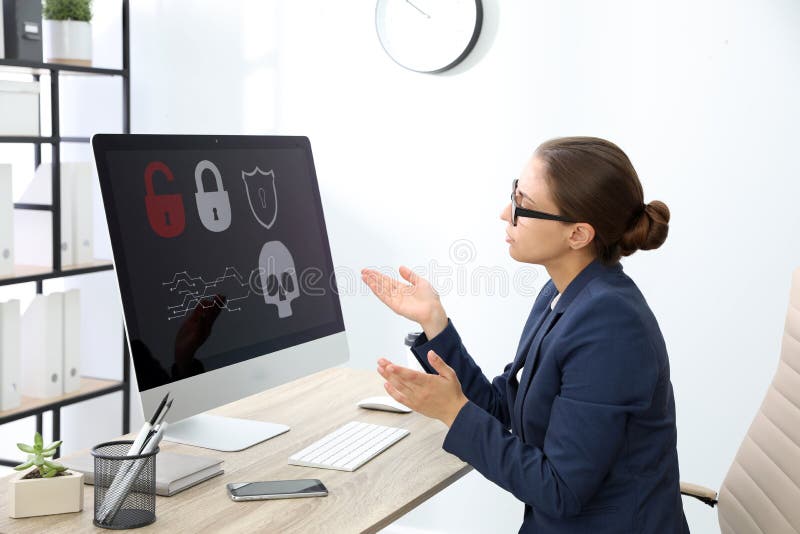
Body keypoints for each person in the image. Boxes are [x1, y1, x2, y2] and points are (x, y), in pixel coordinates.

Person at [361, 137, 689, 533]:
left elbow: (559, 491)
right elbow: (507, 409)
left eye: (523, 205)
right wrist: (436, 324)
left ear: (578, 235)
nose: (505, 213)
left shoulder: (611, 328)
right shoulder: (561, 293)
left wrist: (452, 411)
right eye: (513, 194)